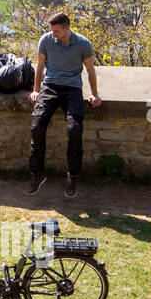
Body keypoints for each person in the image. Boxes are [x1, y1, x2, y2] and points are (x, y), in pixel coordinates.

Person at [28, 12, 102, 200]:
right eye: (51, 30)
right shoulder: (46, 40)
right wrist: (36, 90)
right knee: (37, 126)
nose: (52, 34)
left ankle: (72, 176)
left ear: (67, 28)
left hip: (72, 89)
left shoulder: (83, 44)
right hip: (50, 87)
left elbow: (90, 70)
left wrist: (94, 93)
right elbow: (40, 65)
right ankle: (37, 174)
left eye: (56, 31)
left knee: (75, 129)